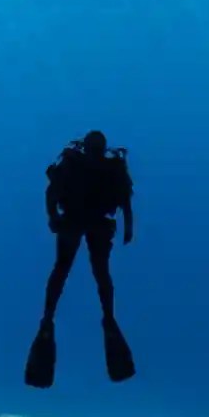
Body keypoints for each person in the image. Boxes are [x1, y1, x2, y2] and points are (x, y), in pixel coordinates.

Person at [25, 130, 136, 388]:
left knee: (64, 270)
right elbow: (126, 200)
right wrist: (129, 228)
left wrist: (52, 217)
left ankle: (49, 316)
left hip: (75, 221)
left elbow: (51, 194)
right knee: (98, 274)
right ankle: (106, 316)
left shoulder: (74, 162)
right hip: (93, 223)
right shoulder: (110, 166)